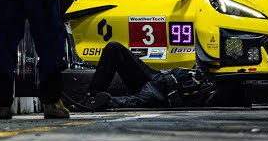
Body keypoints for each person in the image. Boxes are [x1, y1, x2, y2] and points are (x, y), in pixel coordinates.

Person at [78, 41, 217, 110]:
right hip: (156, 76)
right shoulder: (208, 67)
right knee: (114, 47)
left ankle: (97, 103)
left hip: (164, 94)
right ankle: (91, 97)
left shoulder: (215, 92)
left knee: (121, 101)